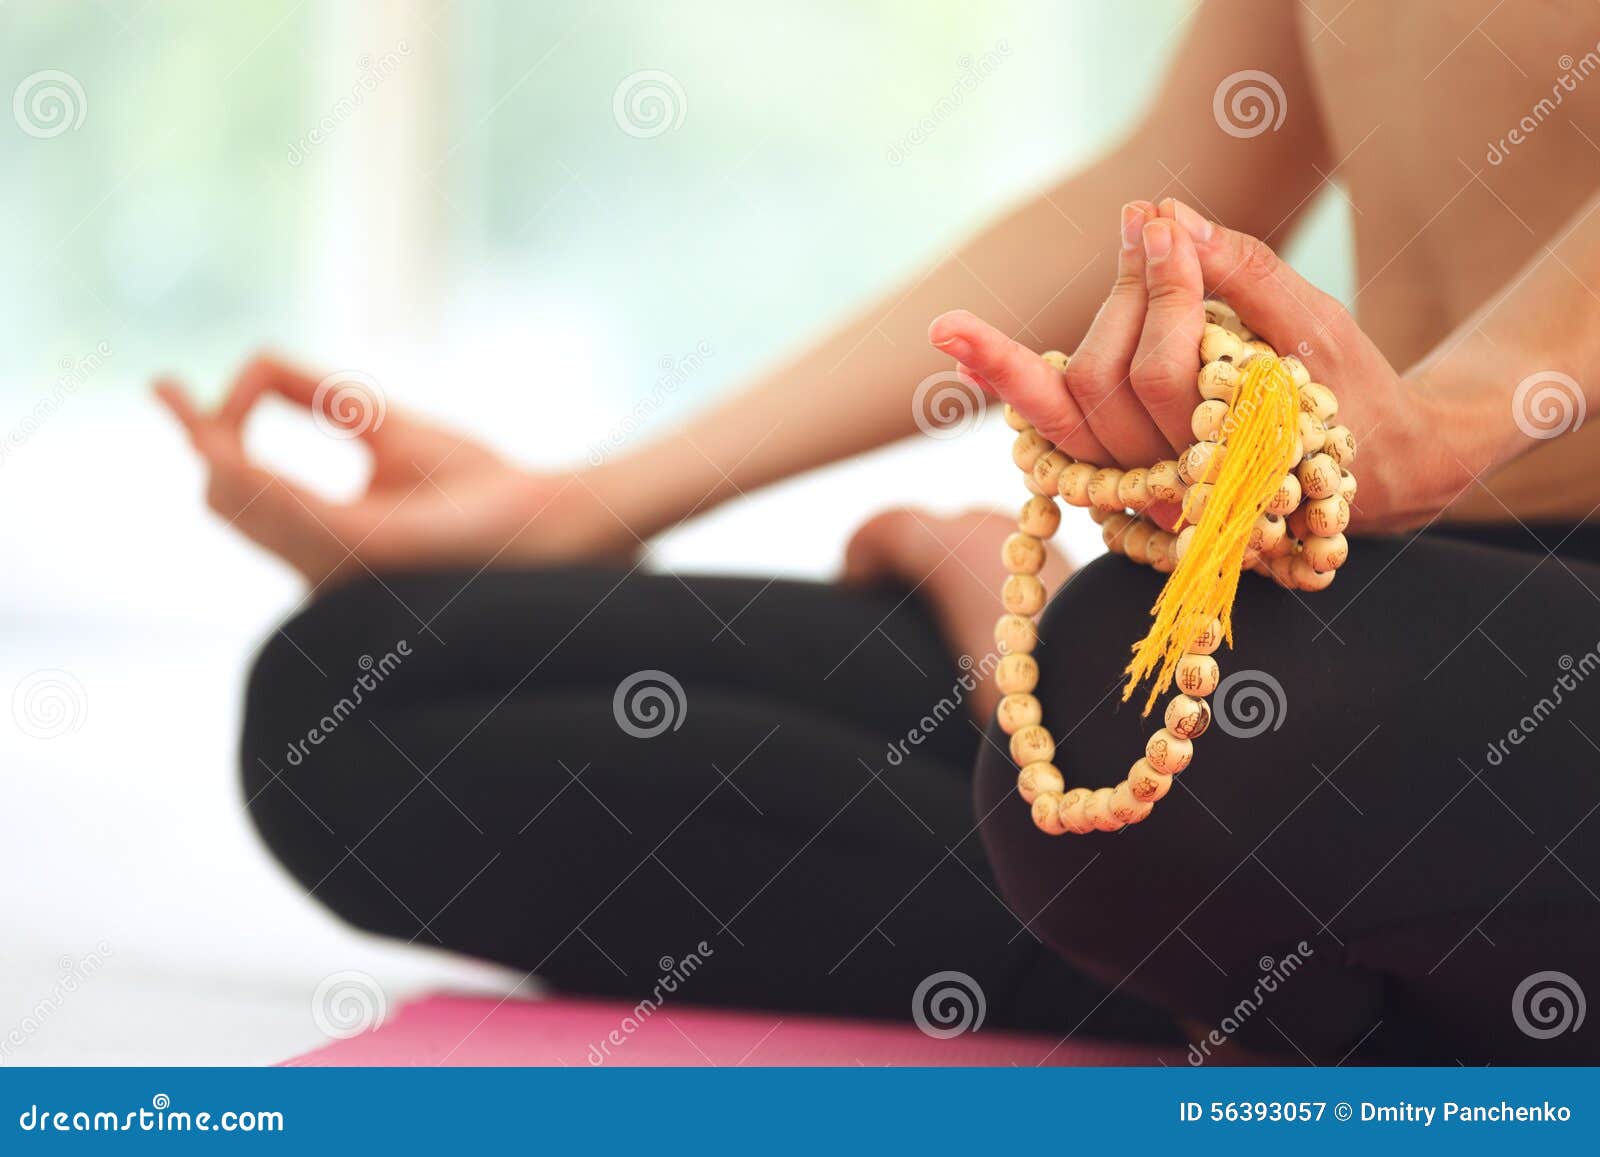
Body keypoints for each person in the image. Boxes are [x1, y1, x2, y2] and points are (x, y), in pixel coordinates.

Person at [158, 0, 1600, 1062]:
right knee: (359, 688)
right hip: (1355, 609)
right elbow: (1180, 165)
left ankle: (1151, 856)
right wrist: (583, 503)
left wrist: (1448, 424)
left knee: (1103, 686)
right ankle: (1251, 923)